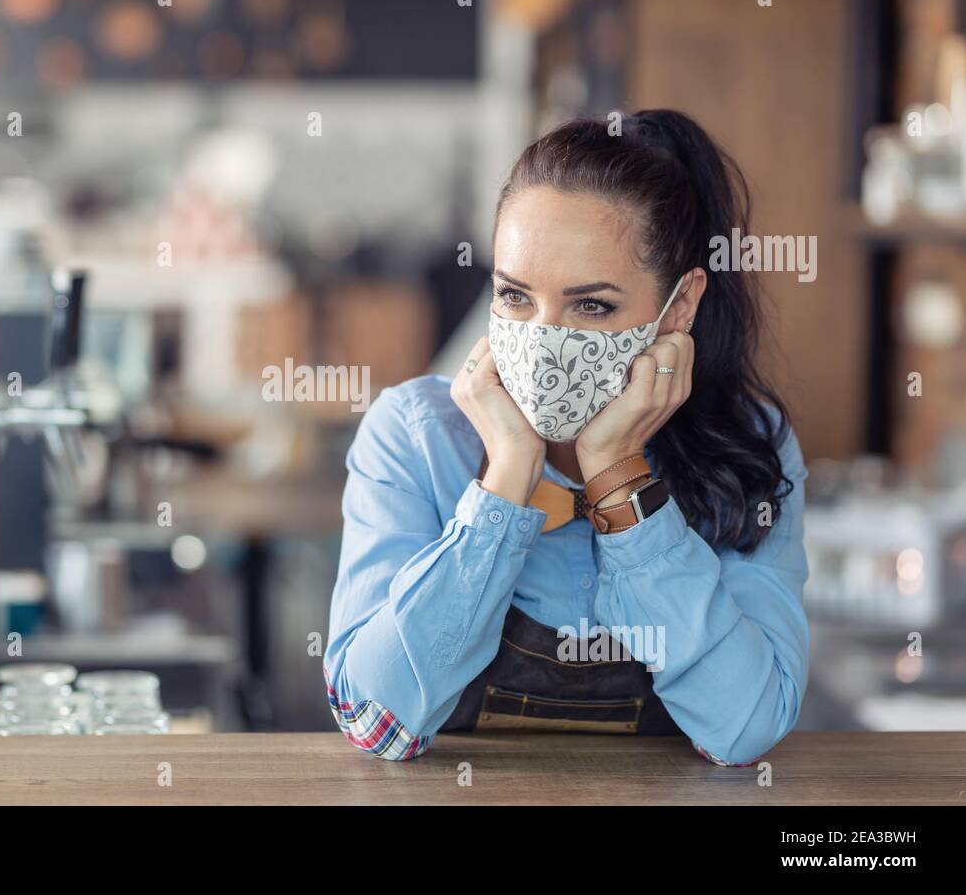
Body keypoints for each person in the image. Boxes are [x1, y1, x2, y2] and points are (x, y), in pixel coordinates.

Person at [323, 110, 809, 766]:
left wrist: (617, 474)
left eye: (592, 305)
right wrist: (505, 482)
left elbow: (745, 729)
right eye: (516, 297)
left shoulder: (748, 448)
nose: (544, 337)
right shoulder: (415, 436)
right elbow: (375, 722)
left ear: (681, 306)